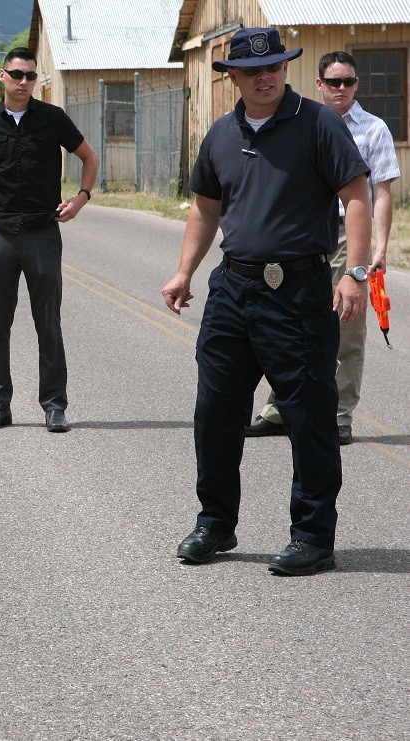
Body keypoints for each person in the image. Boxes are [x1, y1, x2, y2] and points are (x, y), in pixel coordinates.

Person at [160, 28, 372, 576]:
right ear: (233, 77)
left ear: (285, 68)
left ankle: (312, 537)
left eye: (274, 66)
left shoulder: (318, 123)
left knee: (309, 416)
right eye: (253, 70)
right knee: (216, 412)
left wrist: (354, 273)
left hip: (299, 290)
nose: (265, 77)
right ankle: (215, 523)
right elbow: (206, 207)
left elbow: (356, 196)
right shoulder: (221, 135)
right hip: (234, 288)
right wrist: (185, 272)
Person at [246, 50, 400, 446]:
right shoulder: (307, 123)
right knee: (291, 321)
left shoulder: (373, 129)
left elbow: (380, 192)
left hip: (351, 232)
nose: (342, 89)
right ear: (319, 84)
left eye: (349, 81)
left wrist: (377, 249)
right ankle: (280, 409)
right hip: (306, 231)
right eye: (334, 82)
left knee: (346, 326)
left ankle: (340, 414)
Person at [0, 46, 99, 433]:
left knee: (47, 322)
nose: (24, 82)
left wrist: (81, 198)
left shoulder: (53, 119)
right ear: (2, 76)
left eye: (30, 76)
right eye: (17, 75)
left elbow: (90, 157)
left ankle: (54, 405)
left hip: (42, 232)